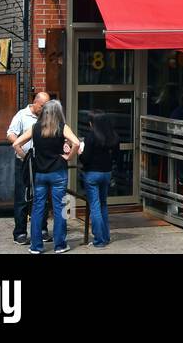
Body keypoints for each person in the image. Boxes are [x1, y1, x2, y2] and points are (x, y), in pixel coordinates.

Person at [11, 99, 81, 254]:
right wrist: (68, 157)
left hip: (40, 173)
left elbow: (16, 144)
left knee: (37, 208)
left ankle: (36, 247)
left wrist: (25, 157)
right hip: (58, 173)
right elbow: (76, 142)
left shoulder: (35, 127)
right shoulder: (62, 127)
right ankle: (60, 245)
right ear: (58, 112)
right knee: (60, 209)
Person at [6, 91, 49, 245]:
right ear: (35, 102)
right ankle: (20, 232)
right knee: (22, 197)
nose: (44, 110)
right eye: (42, 106)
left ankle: (42, 230)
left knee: (42, 196)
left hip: (42, 161)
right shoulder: (22, 115)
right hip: (24, 161)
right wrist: (21, 151)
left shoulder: (46, 117)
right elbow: (10, 134)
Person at [80, 110, 118, 249]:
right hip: (106, 173)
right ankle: (106, 236)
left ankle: (99, 240)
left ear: (93, 123)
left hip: (92, 174)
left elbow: (85, 158)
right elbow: (116, 156)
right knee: (103, 204)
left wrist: (80, 154)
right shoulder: (113, 136)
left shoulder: (91, 137)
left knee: (95, 206)